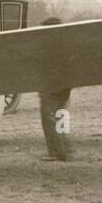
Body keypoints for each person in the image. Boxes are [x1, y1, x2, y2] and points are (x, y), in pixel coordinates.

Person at [37, 17, 72, 161]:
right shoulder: (66, 44)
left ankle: (57, 153)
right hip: (65, 87)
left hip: (52, 88)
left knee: (48, 118)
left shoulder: (50, 46)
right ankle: (66, 149)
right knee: (61, 117)